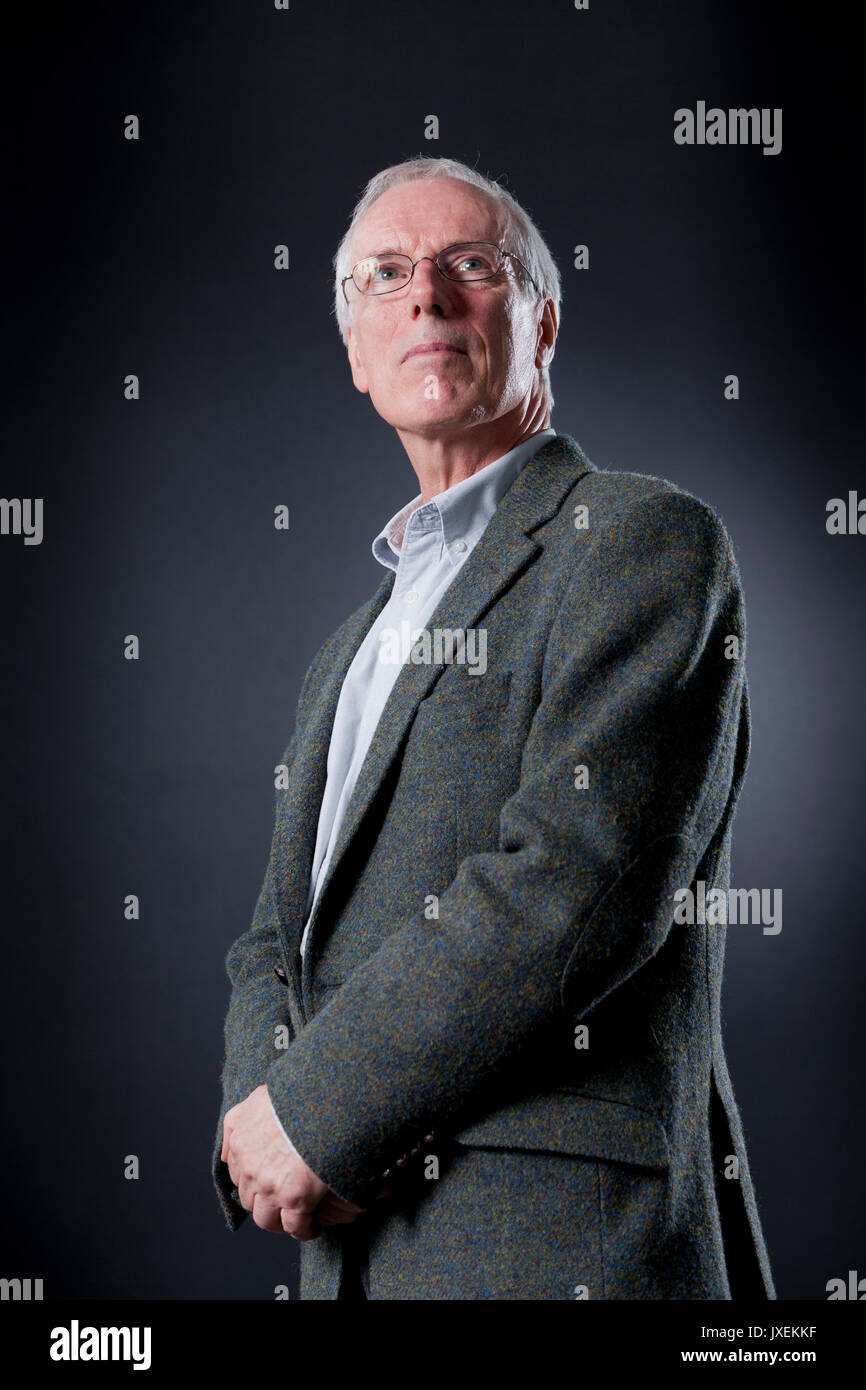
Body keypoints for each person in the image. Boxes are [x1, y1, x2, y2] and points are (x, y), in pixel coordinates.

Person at [212, 155, 776, 1300]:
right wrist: (260, 1127)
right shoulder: (344, 651)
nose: (425, 294)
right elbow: (276, 939)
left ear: (542, 324)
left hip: (552, 1250)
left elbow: (574, 884)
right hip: (349, 1258)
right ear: (355, 349)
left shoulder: (639, 541)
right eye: (384, 275)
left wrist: (319, 1116)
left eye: (470, 265)